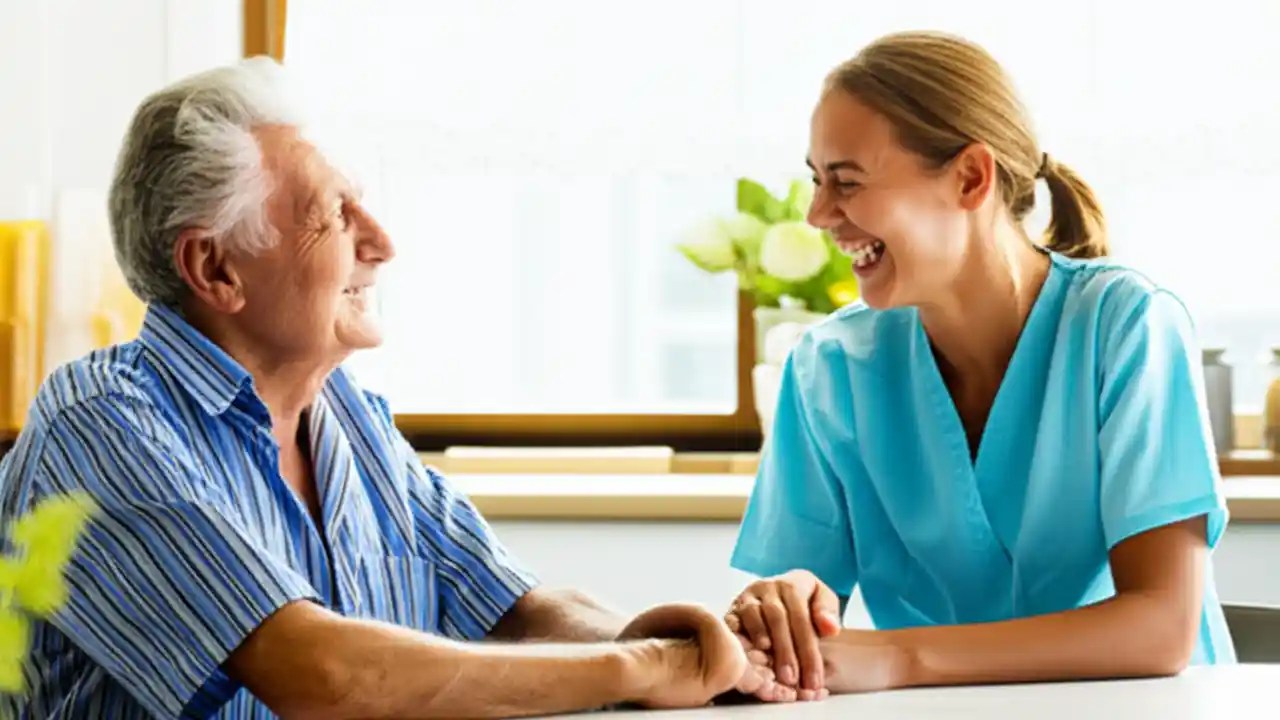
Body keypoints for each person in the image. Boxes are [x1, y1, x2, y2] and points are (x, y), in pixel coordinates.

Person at [0, 58, 771, 718]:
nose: (382, 242)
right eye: (336, 216)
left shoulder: (350, 418)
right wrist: (642, 668)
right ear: (216, 268)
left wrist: (691, 645)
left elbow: (514, 611)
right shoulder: (99, 426)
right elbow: (321, 673)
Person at [725, 30, 1235, 702]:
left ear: (971, 177)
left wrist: (898, 658)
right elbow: (799, 622)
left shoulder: (1126, 326)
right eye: (817, 181)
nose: (819, 214)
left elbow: (1160, 629)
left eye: (846, 181)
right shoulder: (828, 368)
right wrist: (786, 603)